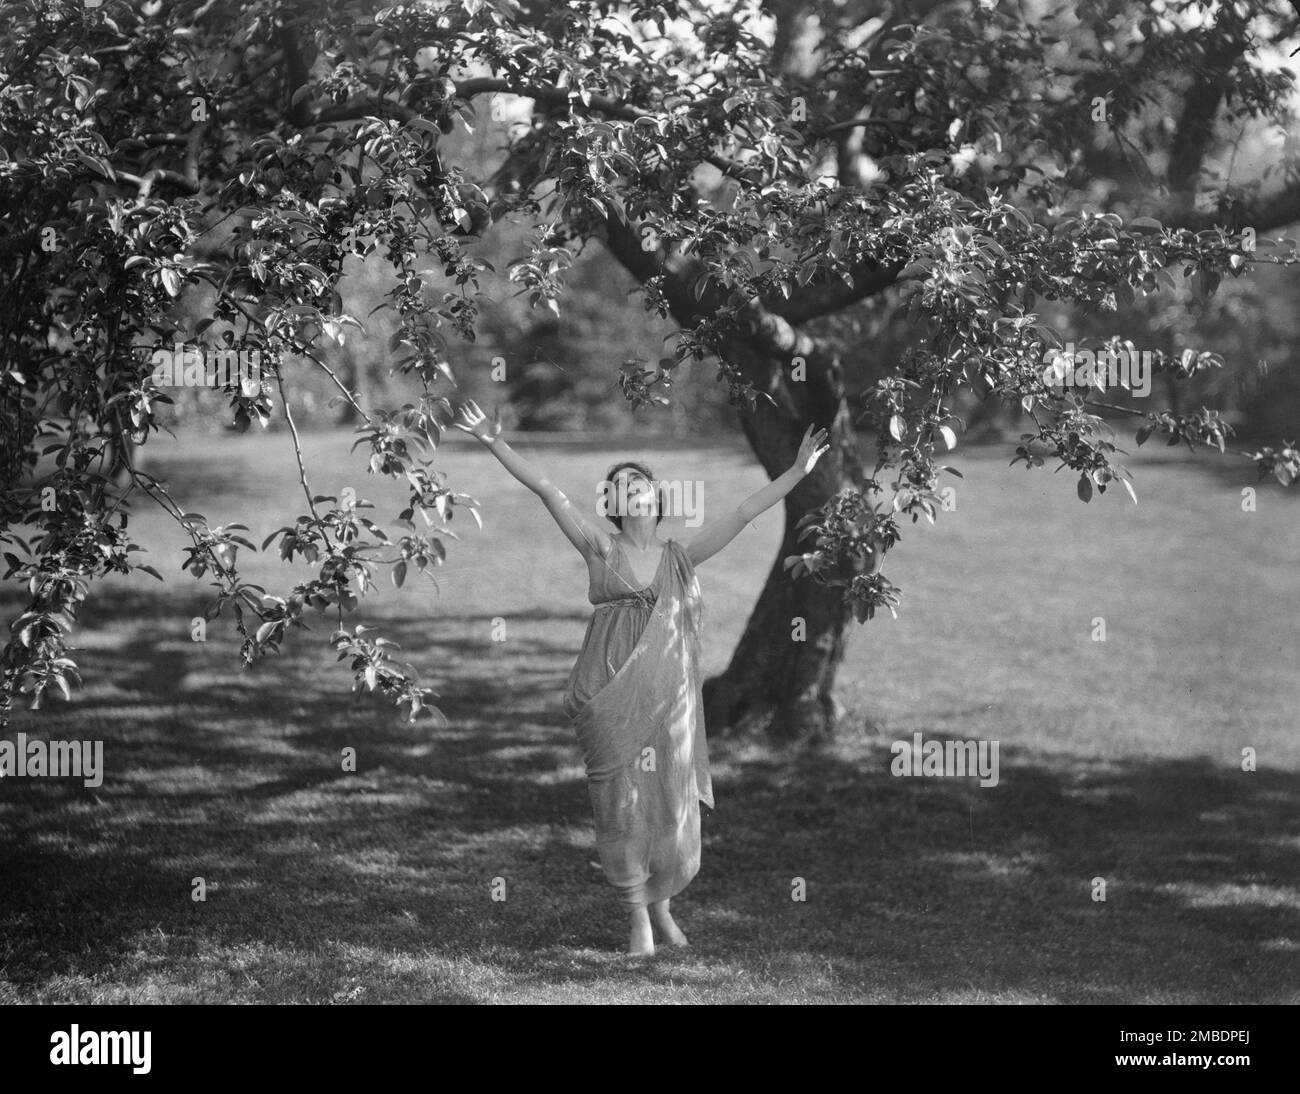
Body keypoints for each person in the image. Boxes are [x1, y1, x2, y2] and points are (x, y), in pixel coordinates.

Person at [453, 400, 830, 955]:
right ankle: (637, 920)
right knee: (622, 807)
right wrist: (493, 442)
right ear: (613, 503)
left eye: (642, 484)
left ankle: (663, 907)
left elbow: (745, 512)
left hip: (669, 702)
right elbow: (549, 492)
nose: (634, 491)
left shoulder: (680, 556)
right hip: (609, 697)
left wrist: (796, 474)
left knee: (669, 807)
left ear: (655, 499)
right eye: (623, 485)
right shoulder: (600, 548)